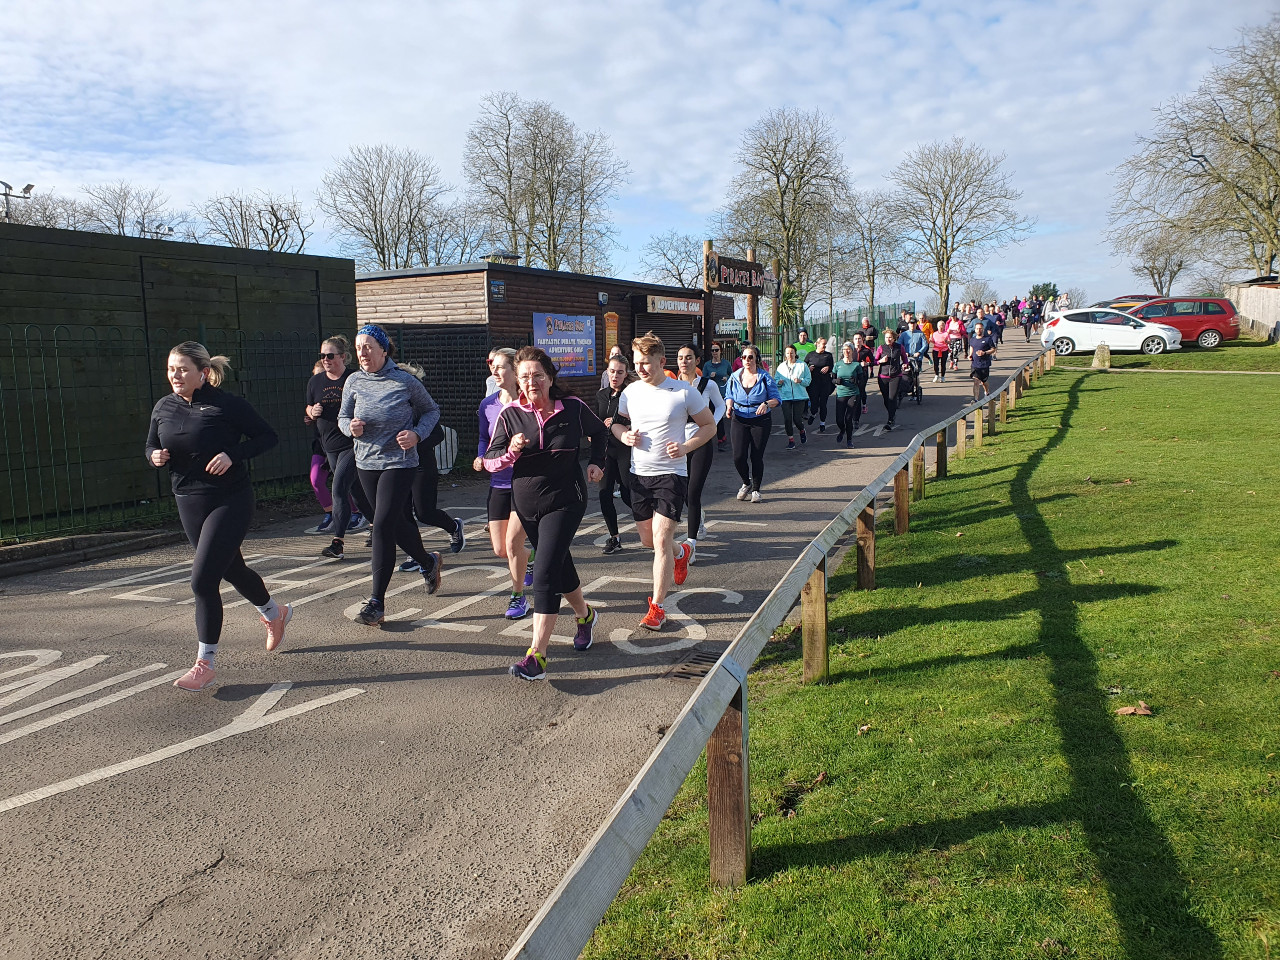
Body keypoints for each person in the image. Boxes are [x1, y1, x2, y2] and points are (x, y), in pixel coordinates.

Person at [146, 341, 290, 692]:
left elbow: (268, 437)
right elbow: (150, 444)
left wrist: (232, 455)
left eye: (183, 369)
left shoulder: (227, 405)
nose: (175, 375)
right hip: (188, 499)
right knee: (232, 568)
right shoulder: (163, 406)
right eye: (171, 369)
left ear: (203, 373)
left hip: (230, 499)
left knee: (202, 581)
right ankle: (275, 613)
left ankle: (205, 663)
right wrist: (154, 456)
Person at [482, 346, 608, 681]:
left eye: (538, 375)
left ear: (550, 378)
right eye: (525, 377)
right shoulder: (510, 415)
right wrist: (511, 452)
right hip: (527, 506)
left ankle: (536, 655)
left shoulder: (573, 408)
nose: (531, 382)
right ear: (518, 381)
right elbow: (490, 461)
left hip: (566, 500)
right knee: (560, 566)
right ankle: (585, 615)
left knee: (545, 570)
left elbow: (600, 432)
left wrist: (597, 462)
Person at [338, 324, 444, 627]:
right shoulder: (353, 381)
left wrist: (416, 434)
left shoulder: (404, 380)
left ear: (384, 350)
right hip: (366, 462)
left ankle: (376, 603)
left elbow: (431, 411)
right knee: (394, 524)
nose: (362, 353)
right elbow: (343, 417)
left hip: (399, 462)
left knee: (382, 525)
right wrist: (350, 428)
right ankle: (428, 561)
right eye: (358, 348)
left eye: (368, 346)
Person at [615, 335, 715, 632]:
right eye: (636, 363)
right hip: (639, 475)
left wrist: (685, 447)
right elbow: (617, 423)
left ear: (661, 361)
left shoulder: (684, 392)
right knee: (648, 540)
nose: (640, 369)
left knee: (660, 541)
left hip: (671, 475)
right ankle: (681, 552)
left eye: (645, 363)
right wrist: (624, 435)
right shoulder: (630, 392)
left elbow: (709, 426)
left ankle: (657, 608)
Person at [473, 347, 530, 619]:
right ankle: (528, 558)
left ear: (514, 371)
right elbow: (484, 438)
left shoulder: (528, 403)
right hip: (499, 481)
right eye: (492, 366)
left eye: (500, 366)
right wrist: (481, 456)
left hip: (524, 482)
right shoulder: (488, 404)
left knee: (512, 544)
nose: (494, 371)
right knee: (499, 549)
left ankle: (518, 597)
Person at [305, 336, 372, 560]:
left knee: (339, 488)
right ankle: (377, 525)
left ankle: (338, 543)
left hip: (352, 443)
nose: (325, 359)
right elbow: (308, 406)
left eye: (330, 355)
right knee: (356, 491)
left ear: (343, 357)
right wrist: (311, 412)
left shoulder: (354, 378)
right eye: (323, 356)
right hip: (329, 445)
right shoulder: (315, 382)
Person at [397, 360, 466, 569]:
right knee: (402, 513)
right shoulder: (387, 408)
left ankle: (453, 527)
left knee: (424, 512)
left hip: (421, 464)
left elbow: (438, 434)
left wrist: (415, 442)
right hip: (397, 466)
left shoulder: (419, 406)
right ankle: (415, 555)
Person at [674, 343, 725, 562]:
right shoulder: (672, 385)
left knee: (693, 492)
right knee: (683, 491)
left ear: (696, 360)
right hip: (678, 444)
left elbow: (721, 406)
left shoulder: (707, 384)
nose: (683, 362)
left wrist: (711, 425)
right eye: (680, 358)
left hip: (701, 442)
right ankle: (699, 517)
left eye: (688, 357)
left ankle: (691, 545)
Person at [723, 343, 780, 502]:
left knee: (756, 456)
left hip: (760, 420)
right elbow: (729, 395)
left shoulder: (765, 377)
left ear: (756, 359)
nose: (747, 360)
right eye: (744, 357)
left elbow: (776, 399)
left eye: (750, 357)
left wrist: (766, 404)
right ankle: (746, 483)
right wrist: (729, 406)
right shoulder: (735, 377)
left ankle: (756, 489)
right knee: (738, 456)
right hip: (739, 418)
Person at [596, 353, 635, 555]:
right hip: (605, 451)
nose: (615, 376)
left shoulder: (631, 394)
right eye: (612, 371)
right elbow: (597, 419)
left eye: (620, 372)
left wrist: (622, 424)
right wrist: (593, 432)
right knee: (604, 494)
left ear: (626, 374)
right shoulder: (602, 395)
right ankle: (614, 538)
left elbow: (640, 420)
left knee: (628, 494)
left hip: (624, 450)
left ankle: (653, 523)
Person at [775, 343, 811, 450]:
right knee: (787, 419)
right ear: (785, 355)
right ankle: (791, 440)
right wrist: (779, 382)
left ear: (795, 353)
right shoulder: (781, 367)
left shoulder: (802, 365)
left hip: (799, 396)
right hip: (785, 396)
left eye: (791, 353)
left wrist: (800, 381)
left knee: (797, 419)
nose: (790, 355)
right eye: (787, 353)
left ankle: (802, 430)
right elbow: (775, 381)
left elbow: (808, 380)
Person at [873, 328, 909, 430]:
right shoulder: (881, 348)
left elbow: (904, 358)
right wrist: (880, 361)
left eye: (890, 337)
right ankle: (892, 414)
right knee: (886, 399)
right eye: (886, 337)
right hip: (883, 376)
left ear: (894, 338)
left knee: (892, 398)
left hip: (895, 376)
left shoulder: (899, 347)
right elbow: (874, 361)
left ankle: (890, 419)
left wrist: (905, 364)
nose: (888, 339)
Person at [700, 342, 732, 447]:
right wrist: (710, 376)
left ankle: (721, 439)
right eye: (712, 350)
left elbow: (732, 376)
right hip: (709, 394)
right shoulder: (707, 365)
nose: (714, 352)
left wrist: (727, 378)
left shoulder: (726, 364)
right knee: (710, 415)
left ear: (720, 351)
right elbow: (703, 379)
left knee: (720, 416)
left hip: (721, 393)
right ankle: (710, 438)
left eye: (716, 350)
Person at [832, 341, 863, 448]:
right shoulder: (837, 365)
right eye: (844, 350)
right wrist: (836, 381)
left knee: (848, 418)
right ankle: (842, 430)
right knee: (839, 419)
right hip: (841, 394)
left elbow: (862, 380)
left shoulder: (856, 365)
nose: (846, 351)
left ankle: (849, 440)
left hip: (853, 394)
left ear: (852, 351)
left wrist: (856, 381)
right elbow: (832, 379)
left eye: (848, 350)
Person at [804, 335, 835, 432]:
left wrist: (828, 368)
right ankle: (813, 414)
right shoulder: (810, 355)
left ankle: (822, 423)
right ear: (817, 344)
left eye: (826, 344)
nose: (825, 346)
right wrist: (808, 369)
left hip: (825, 383)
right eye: (823, 344)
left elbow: (832, 367)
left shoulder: (828, 355)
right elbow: (803, 366)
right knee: (814, 404)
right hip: (813, 383)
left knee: (823, 403)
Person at [969, 321, 997, 404]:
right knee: (976, 381)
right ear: (975, 330)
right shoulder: (972, 339)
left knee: (984, 381)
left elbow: (993, 349)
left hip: (984, 364)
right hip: (975, 364)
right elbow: (971, 347)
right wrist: (970, 355)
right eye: (977, 329)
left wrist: (985, 353)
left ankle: (987, 392)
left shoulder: (987, 339)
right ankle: (976, 399)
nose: (979, 330)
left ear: (983, 329)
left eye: (980, 328)